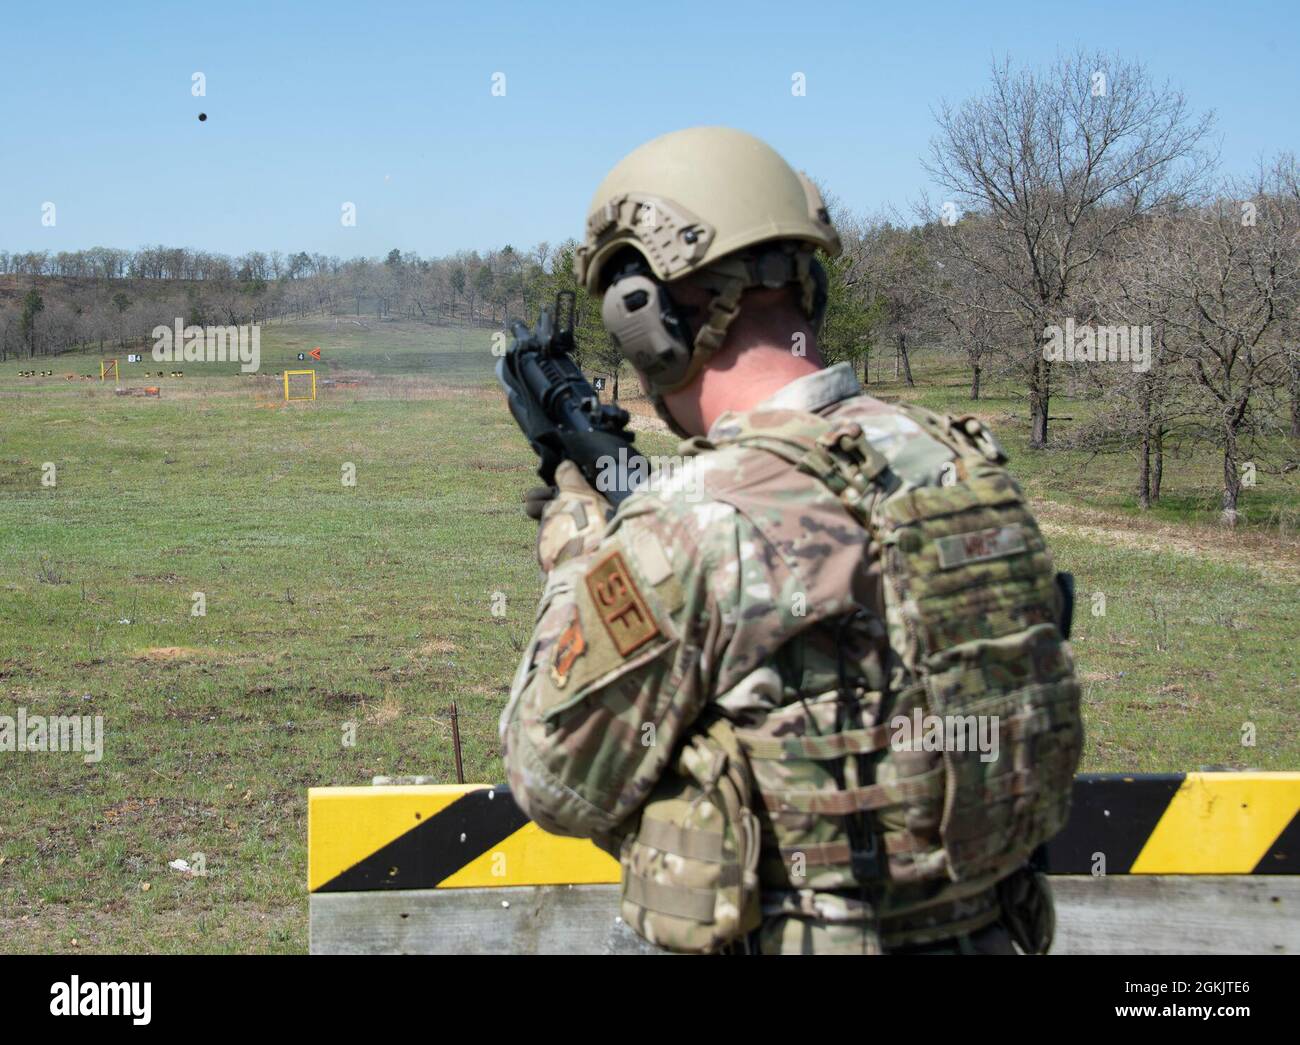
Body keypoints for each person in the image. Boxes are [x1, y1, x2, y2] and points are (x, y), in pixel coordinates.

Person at [500, 127, 1081, 954]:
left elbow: (551, 779)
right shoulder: (964, 464)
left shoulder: (692, 523)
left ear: (647, 321)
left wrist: (578, 554)